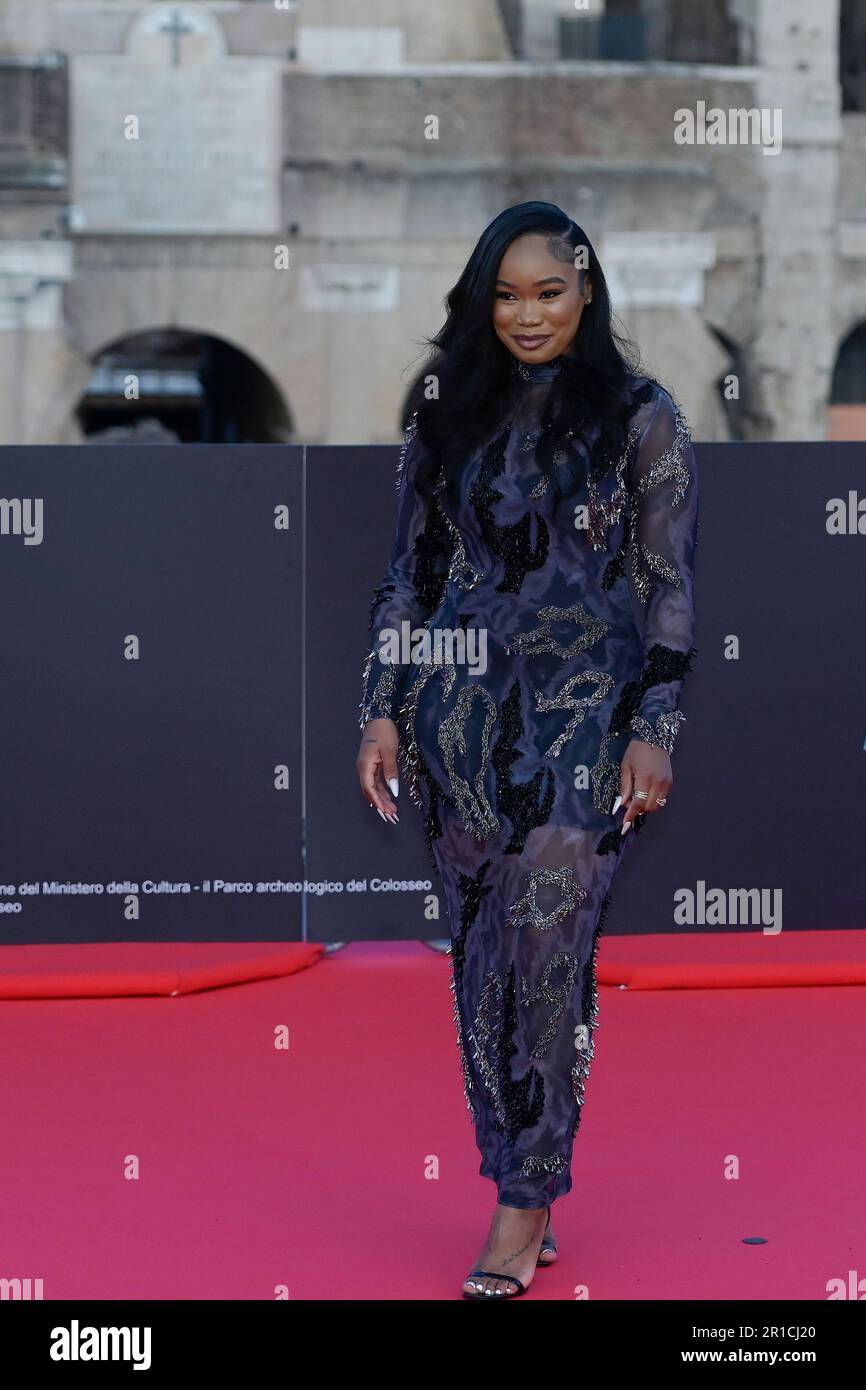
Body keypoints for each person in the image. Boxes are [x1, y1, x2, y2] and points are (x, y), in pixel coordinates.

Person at [356, 201, 699, 1299]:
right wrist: (381, 706)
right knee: (481, 968)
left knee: (547, 948)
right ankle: (515, 1169)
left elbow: (665, 587)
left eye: (548, 291)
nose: (526, 314)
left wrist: (653, 728)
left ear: (585, 292)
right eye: (504, 295)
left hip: (584, 727)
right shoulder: (442, 411)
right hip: (457, 724)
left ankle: (521, 1199)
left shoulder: (640, 417)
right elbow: (409, 574)